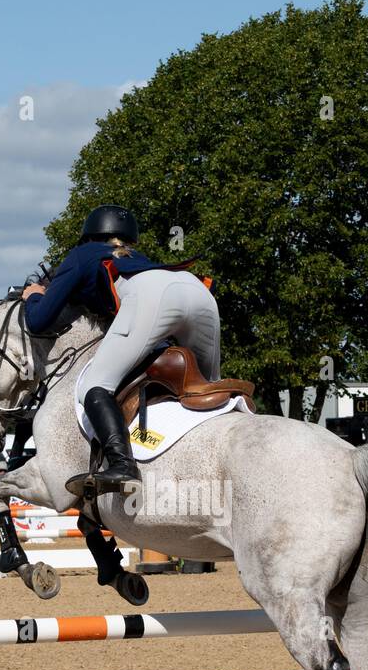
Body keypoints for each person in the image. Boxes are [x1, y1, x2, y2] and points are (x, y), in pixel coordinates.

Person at [21, 205, 221, 495]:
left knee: (93, 386)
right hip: (198, 291)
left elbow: (38, 322)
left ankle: (123, 465)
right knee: (206, 390)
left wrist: (33, 297)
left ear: (89, 235)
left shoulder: (80, 256)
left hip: (151, 296)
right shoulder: (136, 257)